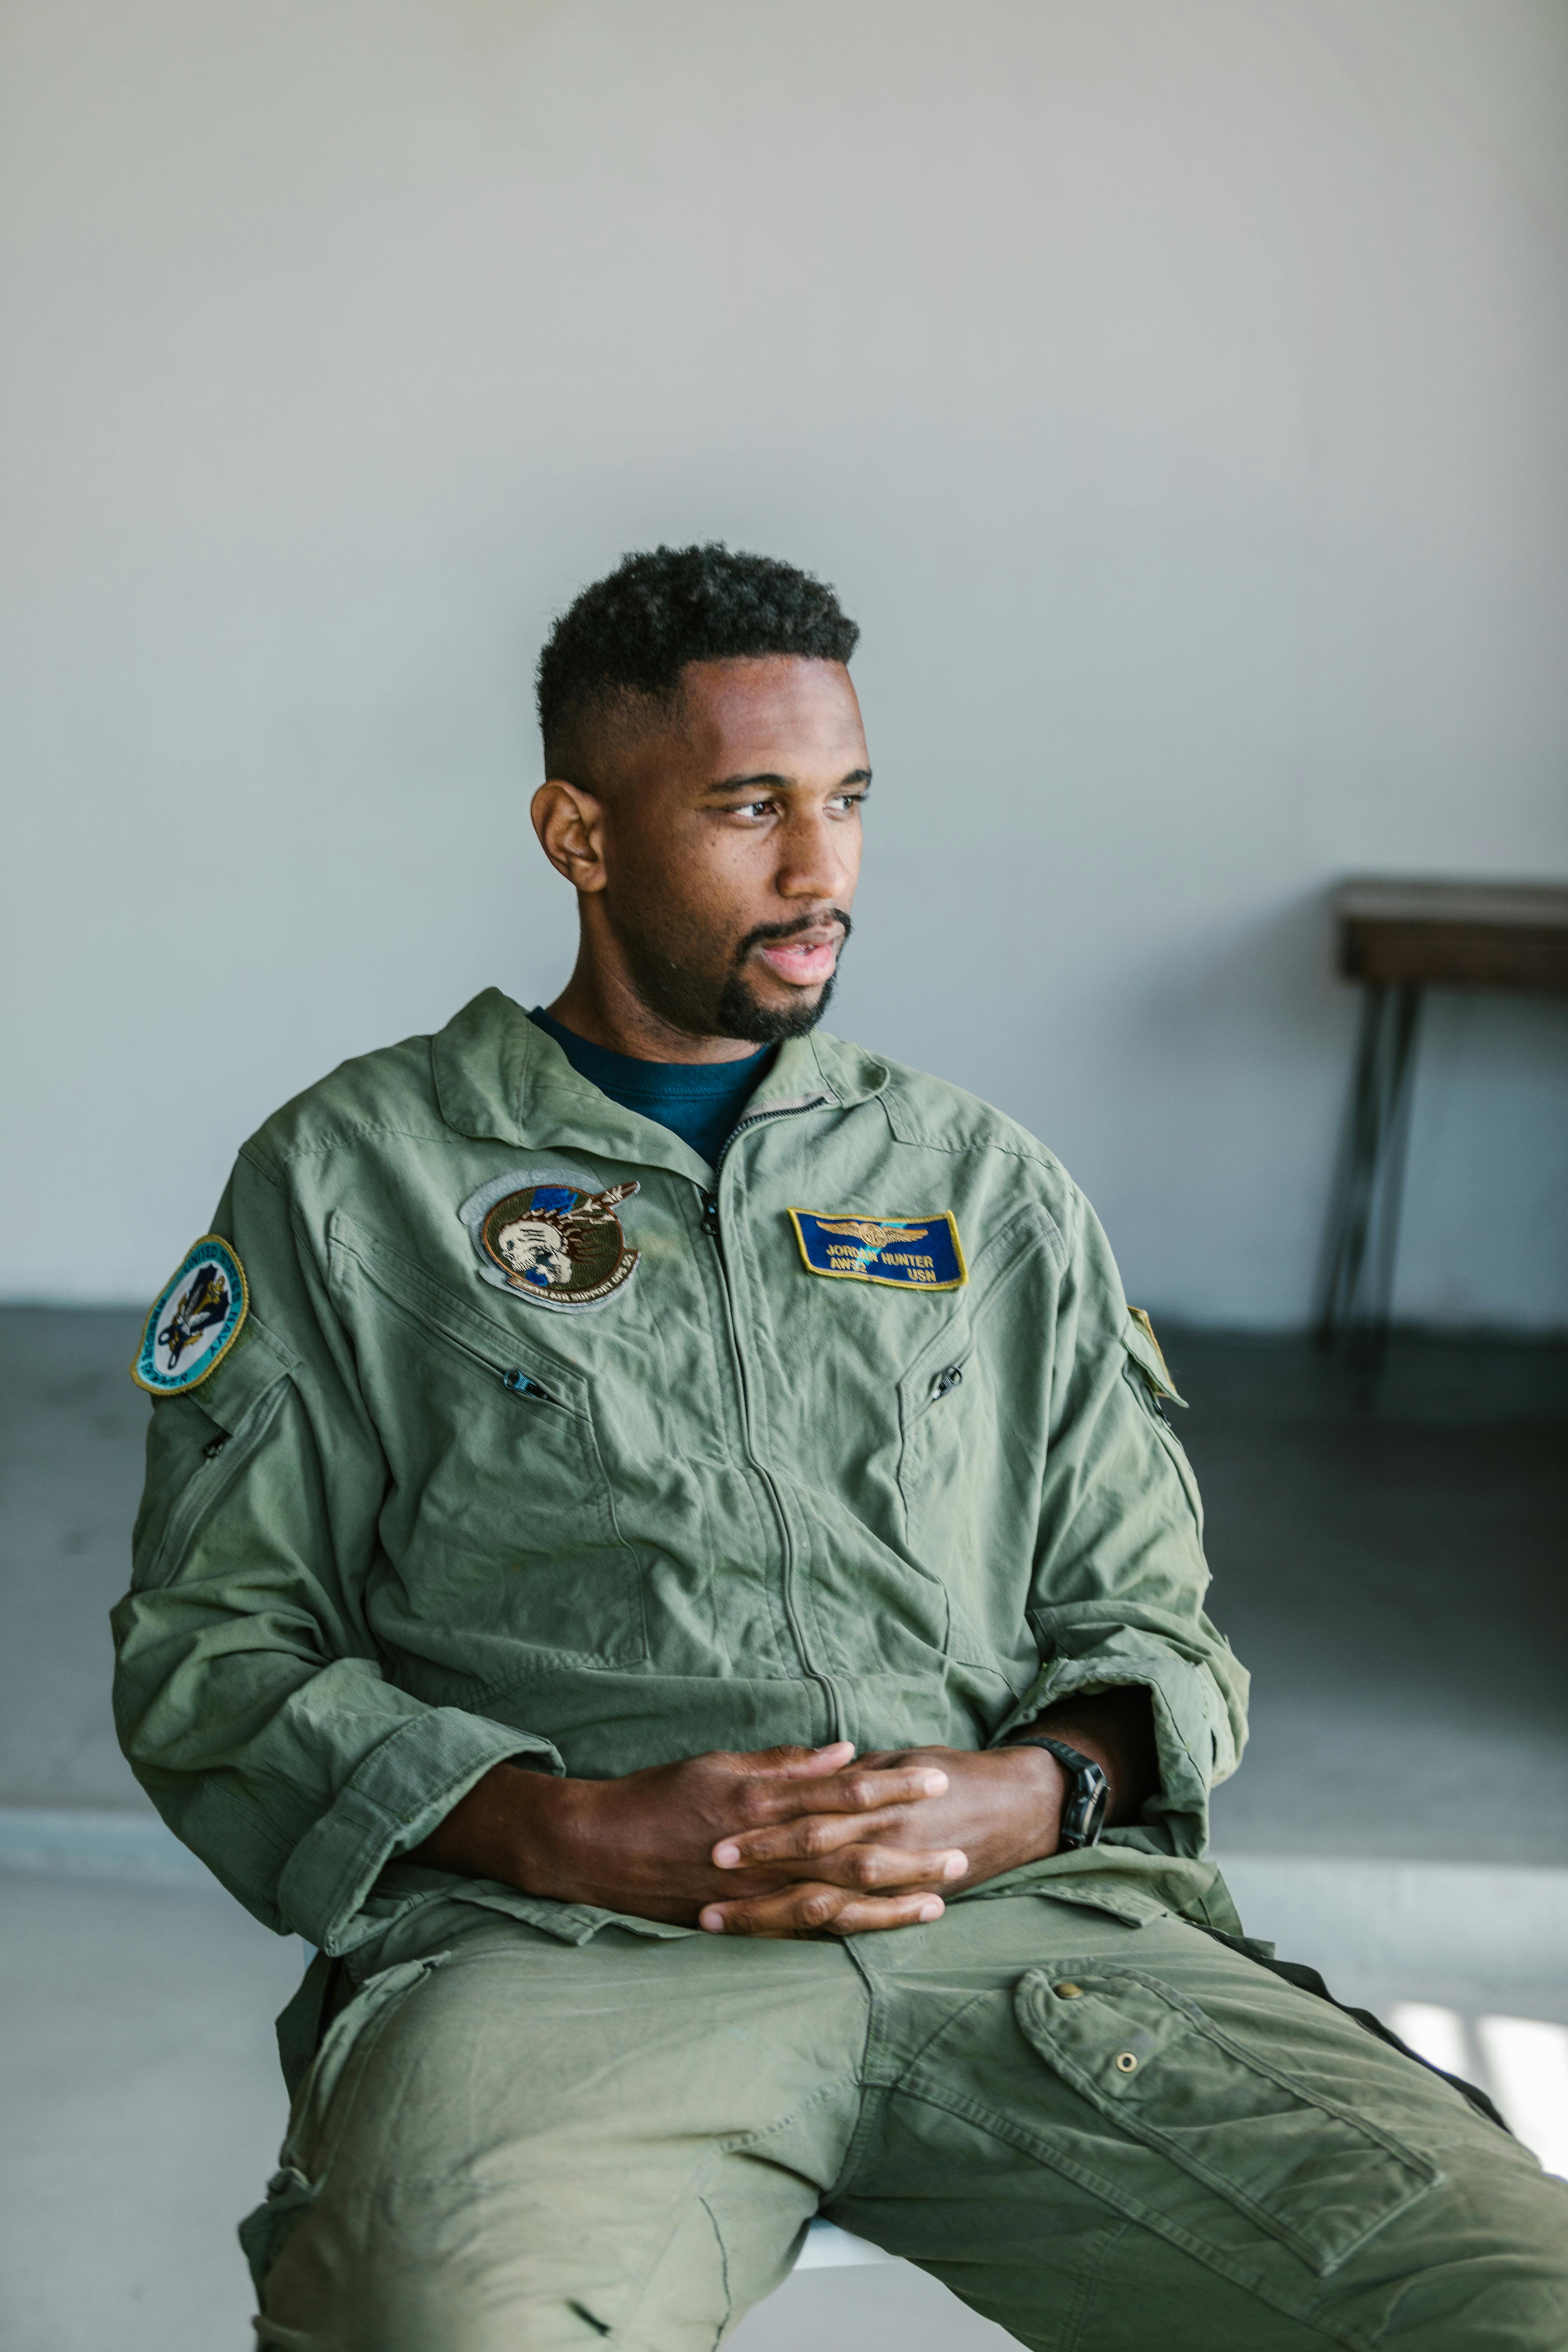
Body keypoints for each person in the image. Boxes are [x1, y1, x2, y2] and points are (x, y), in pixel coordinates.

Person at [111, 545, 1566, 2350]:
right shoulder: (353, 1185)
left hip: (1025, 1942)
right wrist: (573, 1830)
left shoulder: (979, 1189)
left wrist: (1026, 1793)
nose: (823, 875)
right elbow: (213, 1653)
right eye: (750, 809)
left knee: (1509, 2291)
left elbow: (1154, 1632)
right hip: (566, 1961)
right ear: (579, 832)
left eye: (849, 800)